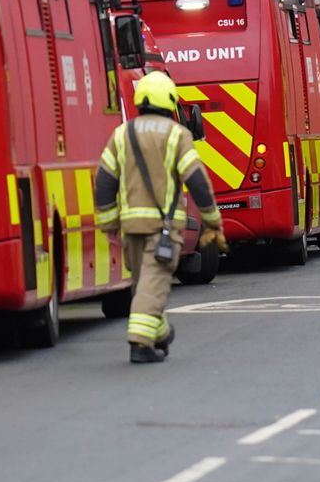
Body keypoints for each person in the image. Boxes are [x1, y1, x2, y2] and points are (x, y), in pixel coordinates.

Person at [95, 71, 228, 364]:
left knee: (145, 283)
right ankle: (140, 342)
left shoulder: (122, 134)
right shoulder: (177, 135)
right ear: (169, 100)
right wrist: (212, 219)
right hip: (164, 228)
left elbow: (104, 180)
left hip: (131, 227)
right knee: (153, 282)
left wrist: (108, 222)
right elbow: (196, 181)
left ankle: (160, 332)